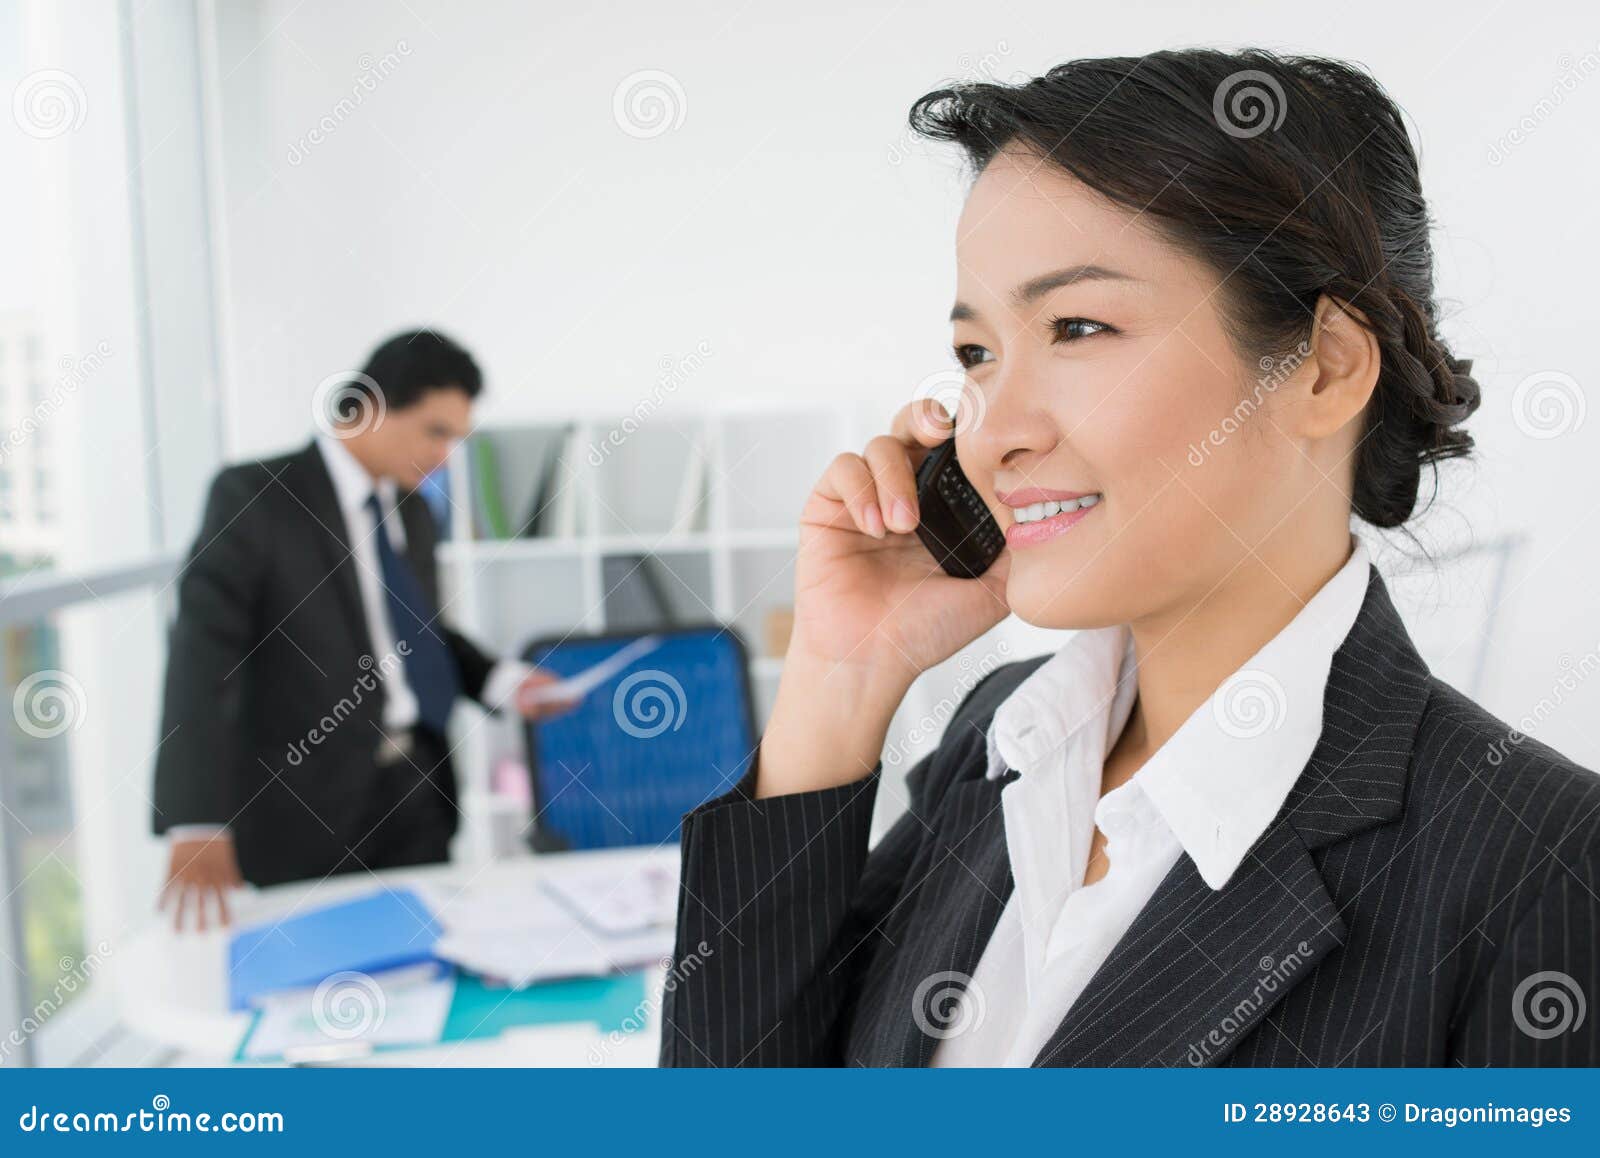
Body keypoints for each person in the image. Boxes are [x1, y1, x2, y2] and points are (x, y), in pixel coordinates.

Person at [659, 49, 1600, 1066]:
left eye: (1077, 326)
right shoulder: (1001, 744)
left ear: (1322, 368)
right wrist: (840, 679)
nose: (991, 430)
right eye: (977, 354)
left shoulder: (1544, 868)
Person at [153, 329, 573, 929]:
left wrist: (502, 681)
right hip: (306, 809)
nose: (445, 455)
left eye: (457, 438)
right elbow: (201, 658)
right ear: (369, 406)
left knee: (421, 973)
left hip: (418, 796)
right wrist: (196, 819)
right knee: (320, 993)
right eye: (436, 431)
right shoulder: (256, 498)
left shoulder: (415, 510)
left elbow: (419, 631)